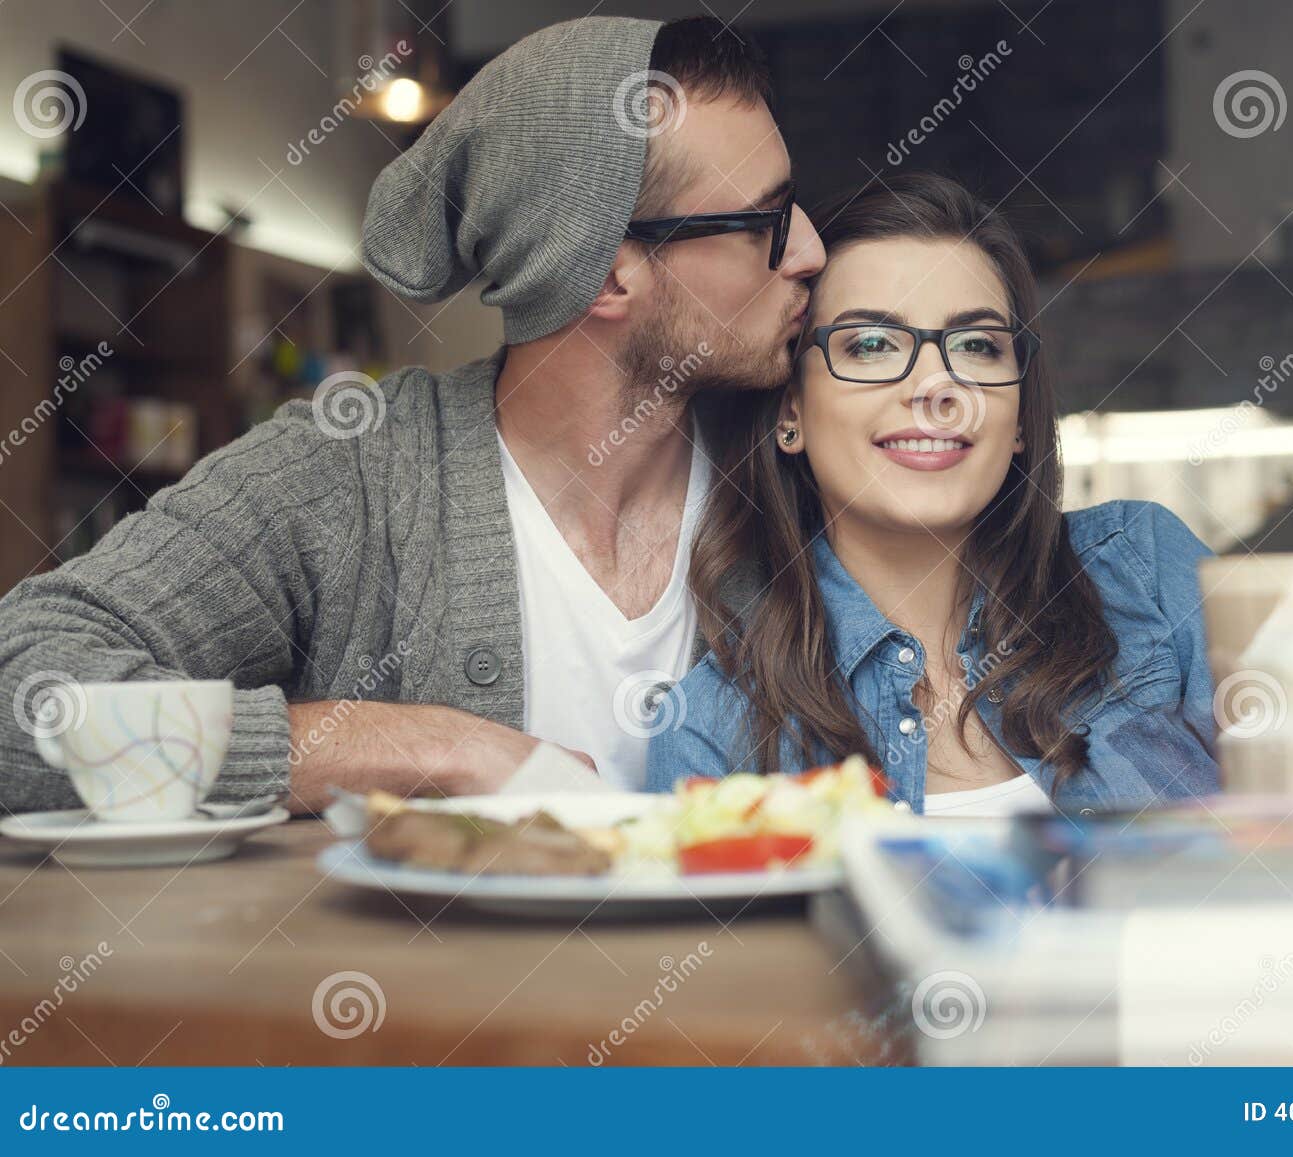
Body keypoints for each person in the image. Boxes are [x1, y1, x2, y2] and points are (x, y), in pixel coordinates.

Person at [0, 16, 823, 813]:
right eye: (769, 222)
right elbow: (22, 694)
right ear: (609, 273)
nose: (811, 251)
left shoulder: (801, 466)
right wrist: (425, 747)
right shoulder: (349, 472)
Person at [647, 174, 1220, 815]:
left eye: (976, 346)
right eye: (870, 345)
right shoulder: (711, 731)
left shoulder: (1145, 569)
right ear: (791, 412)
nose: (935, 388)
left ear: (1019, 417)